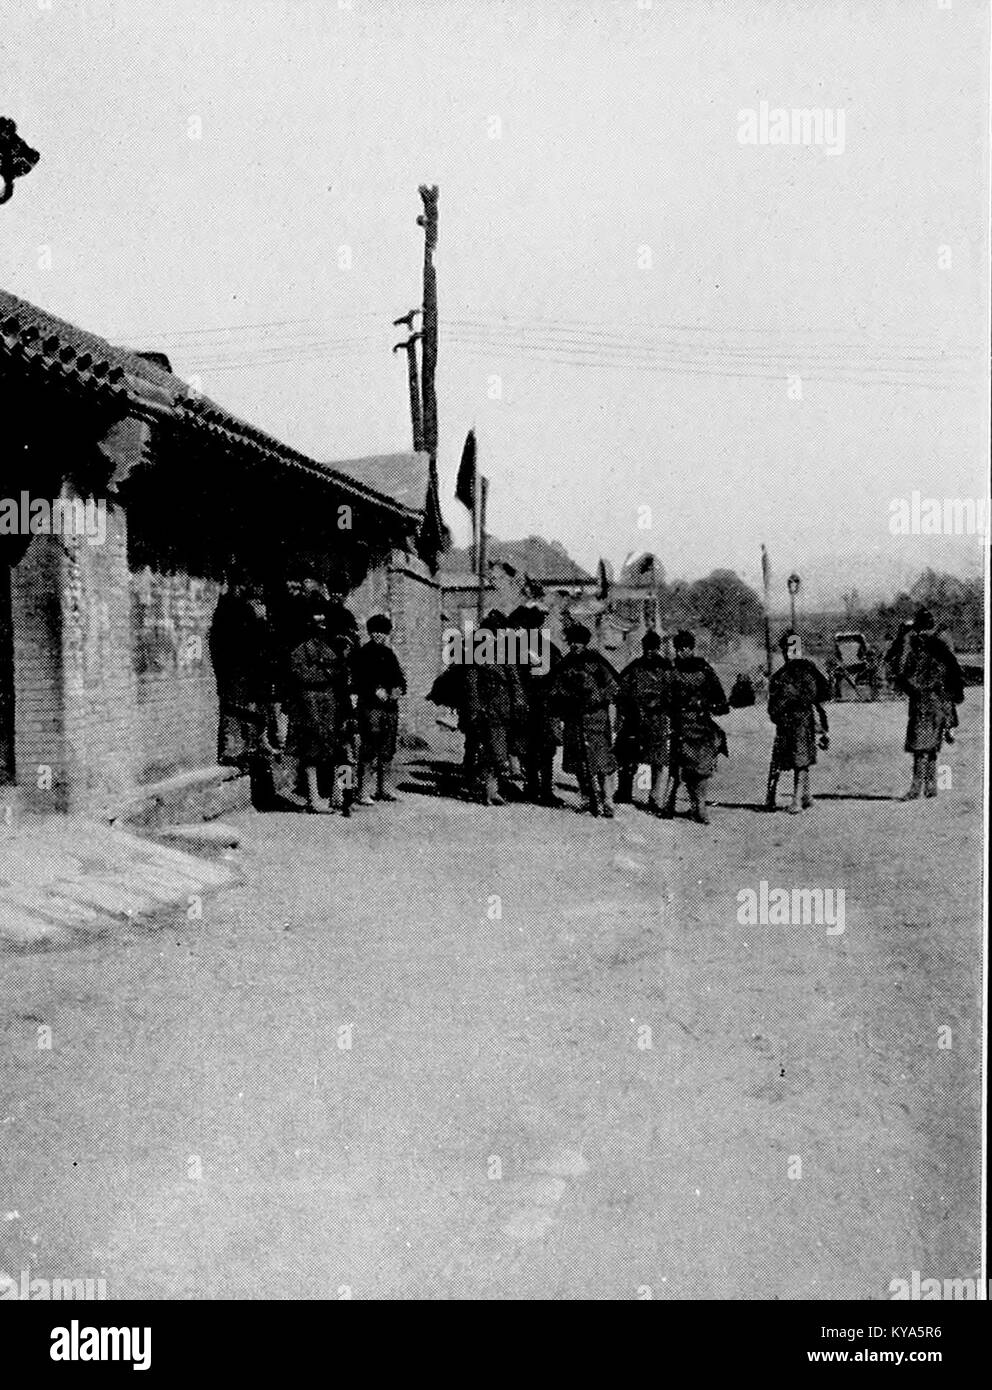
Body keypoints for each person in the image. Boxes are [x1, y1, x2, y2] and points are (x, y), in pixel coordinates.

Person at [208, 578, 280, 810]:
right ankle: (235, 749)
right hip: (238, 672)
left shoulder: (242, 611)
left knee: (249, 712)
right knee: (237, 710)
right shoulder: (234, 612)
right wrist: (259, 623)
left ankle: (251, 746)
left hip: (248, 673)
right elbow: (240, 644)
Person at [886, 607, 964, 799]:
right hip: (940, 701)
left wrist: (910, 688)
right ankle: (931, 787)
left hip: (923, 700)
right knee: (931, 746)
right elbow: (952, 675)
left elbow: (900, 670)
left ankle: (915, 789)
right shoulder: (942, 646)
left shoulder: (916, 645)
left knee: (920, 746)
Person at [286, 597, 354, 814]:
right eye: (317, 624)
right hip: (311, 708)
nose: (321, 629)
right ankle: (314, 798)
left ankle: (342, 794)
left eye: (324, 624)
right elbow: (302, 675)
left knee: (343, 751)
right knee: (312, 752)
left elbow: (341, 678)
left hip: (336, 706)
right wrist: (327, 673)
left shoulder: (334, 650)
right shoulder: (299, 651)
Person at [548, 622, 620, 817]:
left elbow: (614, 687)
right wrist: (564, 698)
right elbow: (554, 690)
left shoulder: (596, 662)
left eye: (578, 642)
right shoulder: (564, 664)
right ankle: (588, 799)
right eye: (571, 642)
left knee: (602, 761)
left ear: (585, 643)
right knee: (579, 761)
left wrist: (598, 697)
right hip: (574, 720)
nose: (574, 646)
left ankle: (607, 800)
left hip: (596, 719)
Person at [660, 630, 728, 825]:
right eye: (679, 649)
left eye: (686, 648)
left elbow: (720, 701)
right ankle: (683, 806)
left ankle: (699, 806)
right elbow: (665, 699)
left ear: (691, 648)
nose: (682, 652)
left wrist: (707, 705)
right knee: (685, 767)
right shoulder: (677, 671)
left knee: (696, 767)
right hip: (684, 725)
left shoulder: (698, 670)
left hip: (696, 725)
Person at [460, 610, 526, 805]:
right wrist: (475, 709)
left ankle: (491, 790)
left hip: (506, 711)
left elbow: (515, 682)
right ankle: (488, 790)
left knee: (499, 752)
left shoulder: (507, 653)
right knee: (493, 753)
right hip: (486, 711)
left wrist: (519, 703)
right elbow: (471, 685)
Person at [765, 631, 831, 814]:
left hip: (798, 720)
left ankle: (797, 801)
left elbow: (816, 696)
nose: (788, 653)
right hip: (796, 720)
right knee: (799, 758)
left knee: (799, 759)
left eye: (790, 649)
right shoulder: (805, 671)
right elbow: (821, 695)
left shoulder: (786, 675)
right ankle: (806, 796)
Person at [506, 604, 564, 806]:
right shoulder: (549, 647)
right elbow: (559, 676)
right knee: (544, 750)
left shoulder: (516, 646)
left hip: (528, 705)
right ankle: (544, 790)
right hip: (543, 706)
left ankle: (533, 788)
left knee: (531, 748)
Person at [614, 629, 673, 813]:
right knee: (626, 757)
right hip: (634, 719)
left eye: (654, 648)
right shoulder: (634, 667)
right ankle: (624, 792)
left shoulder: (667, 669)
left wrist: (663, 706)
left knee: (658, 761)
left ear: (659, 648)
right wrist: (624, 711)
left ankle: (655, 798)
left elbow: (674, 693)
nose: (650, 652)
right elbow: (619, 691)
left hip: (658, 720)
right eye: (647, 648)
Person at [351, 614, 407, 805]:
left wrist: (398, 689)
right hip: (370, 708)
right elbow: (358, 681)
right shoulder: (362, 654)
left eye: (382, 632)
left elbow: (399, 678)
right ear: (369, 632)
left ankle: (384, 789)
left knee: (387, 749)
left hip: (390, 708)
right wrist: (375, 690)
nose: (378, 636)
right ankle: (363, 791)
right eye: (375, 632)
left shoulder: (390, 654)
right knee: (368, 749)